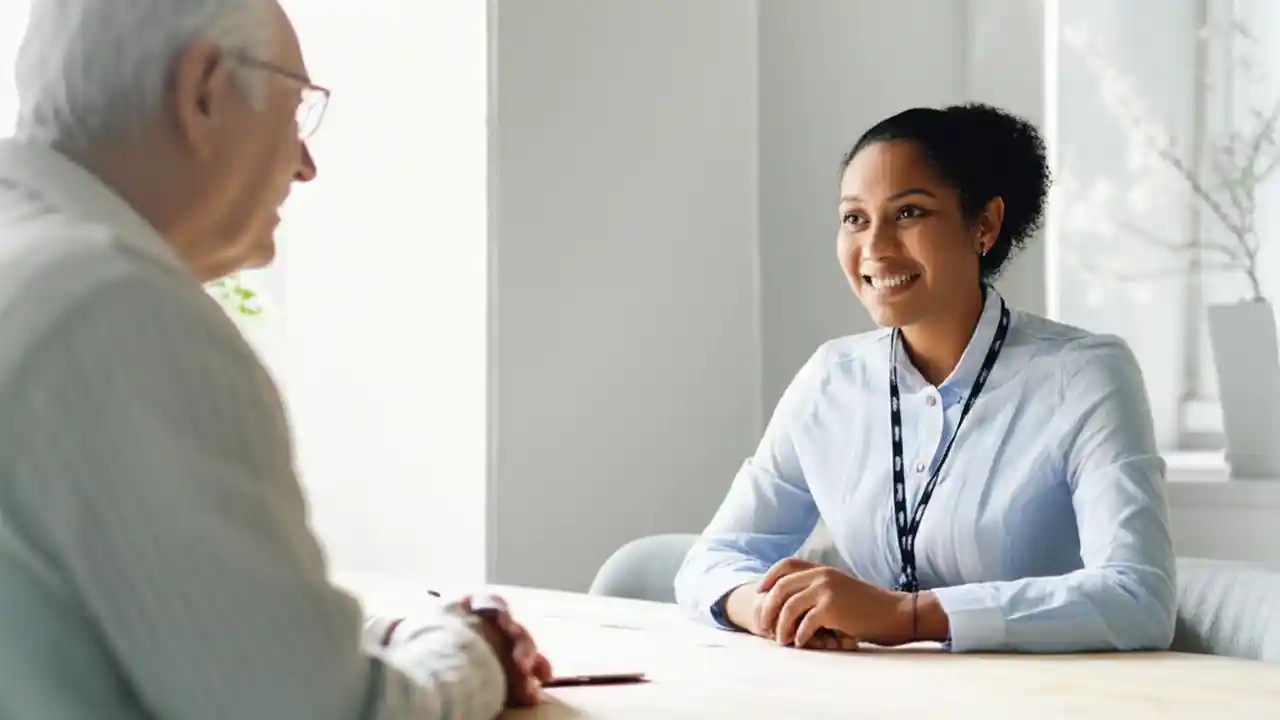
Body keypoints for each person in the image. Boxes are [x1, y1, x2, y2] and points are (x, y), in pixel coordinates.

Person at [0, 1, 549, 717]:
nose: (307, 165)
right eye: (298, 109)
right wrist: (470, 648)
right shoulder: (122, 309)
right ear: (203, 91)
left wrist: (368, 634)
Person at [674, 104, 1177, 654]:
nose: (876, 246)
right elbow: (713, 559)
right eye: (854, 218)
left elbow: (1138, 598)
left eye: (909, 212)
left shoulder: (1086, 374)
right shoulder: (830, 380)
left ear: (983, 224)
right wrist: (775, 609)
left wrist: (907, 616)